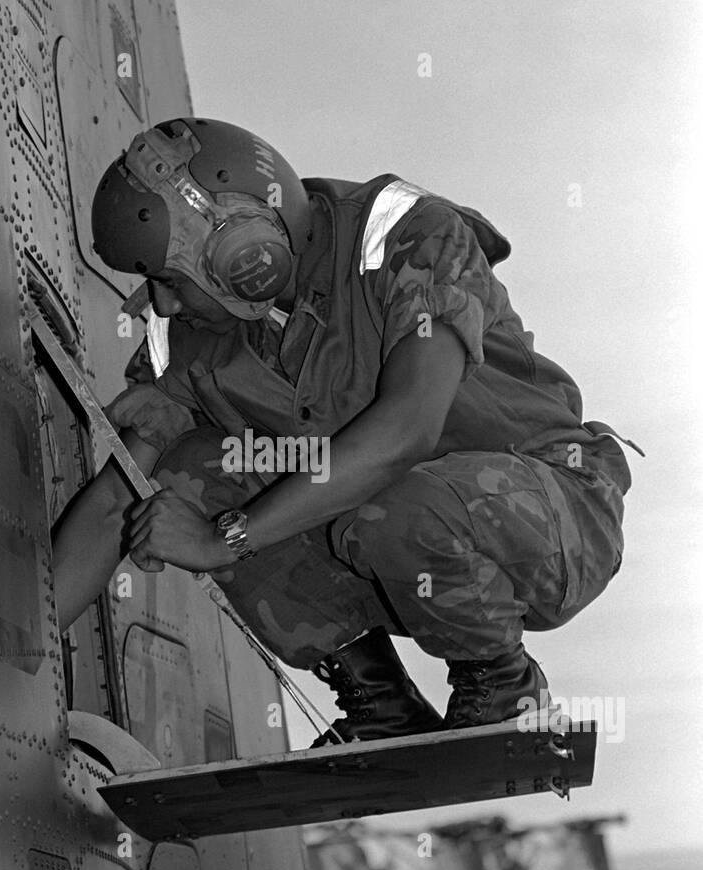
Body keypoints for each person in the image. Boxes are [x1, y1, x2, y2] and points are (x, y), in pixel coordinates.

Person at [51, 117, 638, 746]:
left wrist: (226, 540)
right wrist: (24, 646)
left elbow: (407, 430)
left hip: (546, 519)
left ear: (242, 253)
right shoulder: (193, 341)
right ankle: (380, 699)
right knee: (183, 473)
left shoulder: (406, 239)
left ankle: (501, 686)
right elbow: (121, 497)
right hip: (385, 550)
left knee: (400, 507)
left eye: (168, 280)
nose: (161, 305)